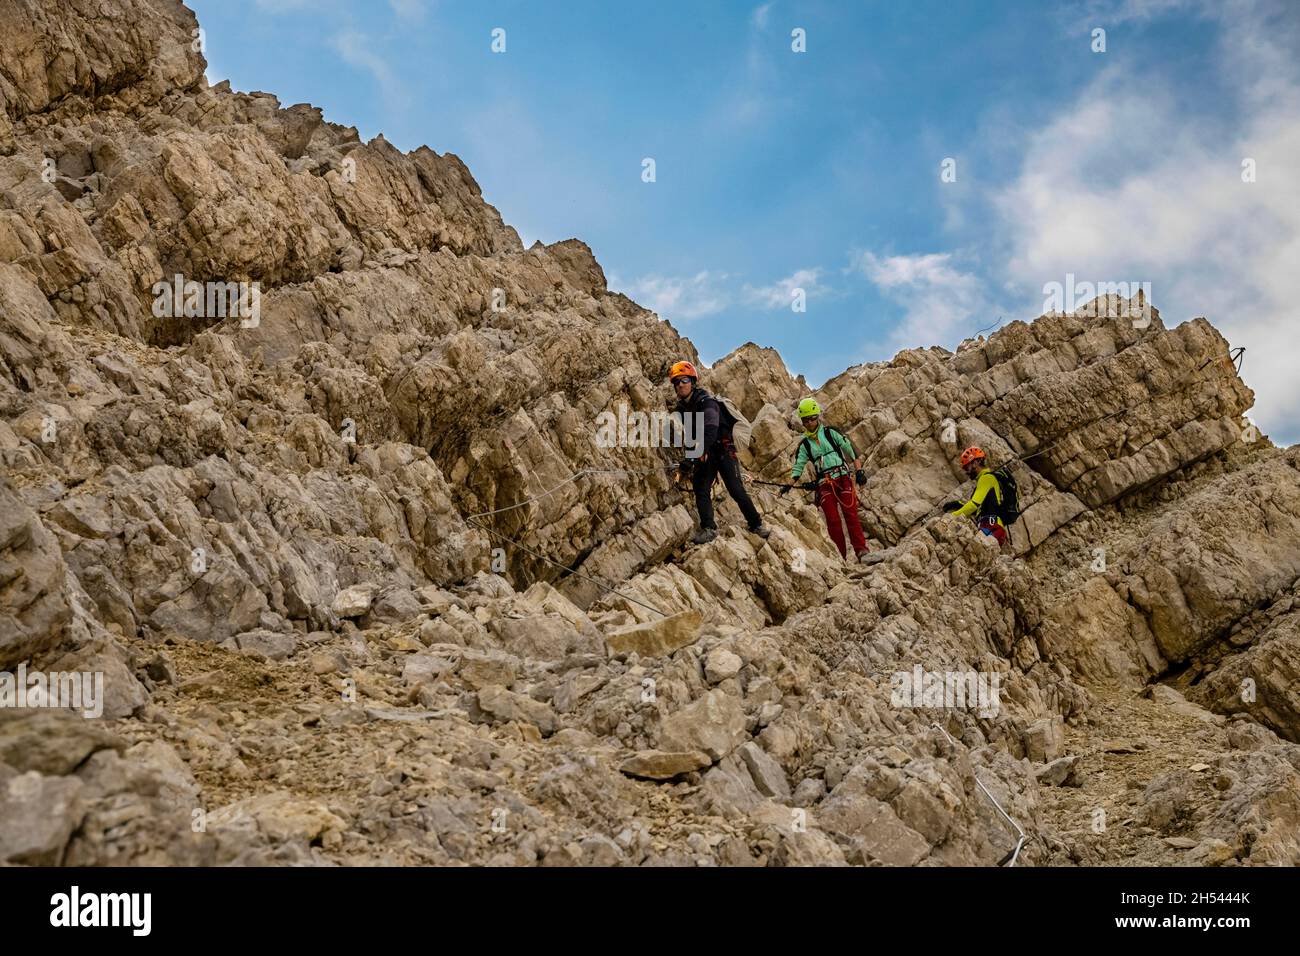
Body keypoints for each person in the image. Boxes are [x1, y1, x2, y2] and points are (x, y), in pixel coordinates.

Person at [670, 361, 770, 545]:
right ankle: (709, 528)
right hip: (706, 452)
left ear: (692, 381)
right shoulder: (682, 409)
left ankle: (756, 524)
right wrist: (689, 459)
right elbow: (690, 435)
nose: (680, 385)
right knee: (701, 488)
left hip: (723, 449)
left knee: (735, 489)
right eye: (676, 382)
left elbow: (710, 430)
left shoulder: (706, 402)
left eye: (684, 380)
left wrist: (693, 457)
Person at [785, 398, 870, 562]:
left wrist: (859, 471)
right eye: (806, 420)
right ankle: (841, 559)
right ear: (802, 422)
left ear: (817, 417)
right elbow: (798, 468)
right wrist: (788, 485)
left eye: (812, 419)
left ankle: (861, 550)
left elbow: (851, 451)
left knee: (851, 514)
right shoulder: (805, 445)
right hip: (824, 484)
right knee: (833, 521)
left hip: (843, 478)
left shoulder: (831, 433)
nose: (810, 423)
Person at [946, 446, 1007, 545]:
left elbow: (974, 505)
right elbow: (980, 509)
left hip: (991, 527)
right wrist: (959, 505)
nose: (966, 472)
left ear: (976, 462)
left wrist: (950, 517)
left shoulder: (986, 478)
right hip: (993, 527)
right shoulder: (986, 479)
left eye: (967, 467)